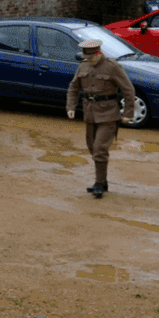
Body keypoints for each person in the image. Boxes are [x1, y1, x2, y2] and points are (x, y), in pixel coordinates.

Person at [65, 35, 137, 199]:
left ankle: (98, 183)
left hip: (108, 113)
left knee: (99, 148)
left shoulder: (112, 66)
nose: (88, 59)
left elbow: (128, 89)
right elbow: (73, 87)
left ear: (98, 53)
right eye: (86, 56)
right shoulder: (83, 65)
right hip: (90, 113)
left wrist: (128, 113)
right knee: (93, 148)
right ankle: (102, 181)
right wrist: (71, 107)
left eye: (90, 56)